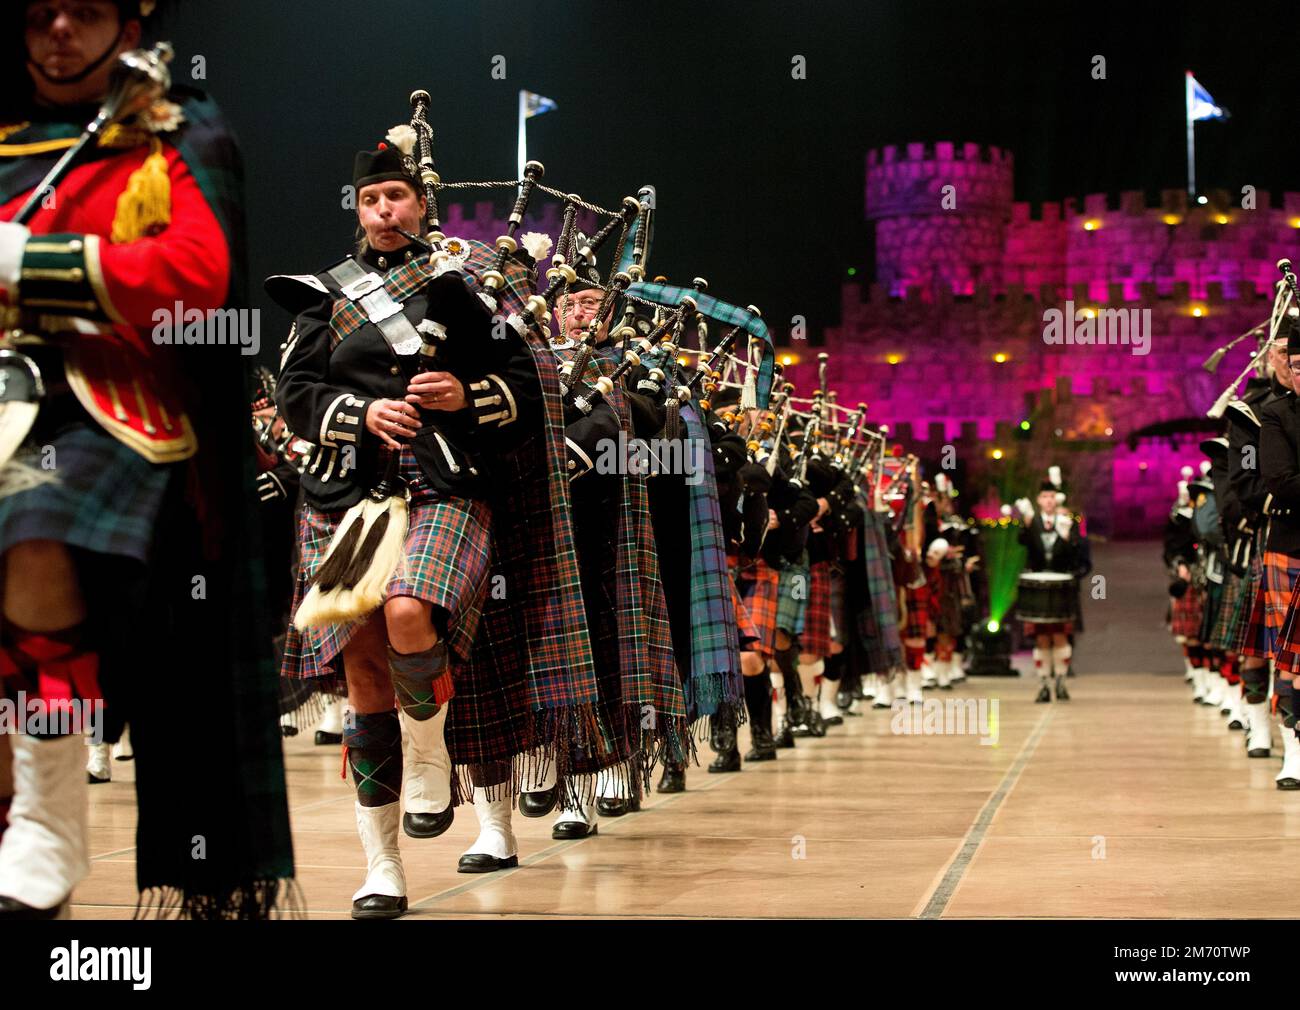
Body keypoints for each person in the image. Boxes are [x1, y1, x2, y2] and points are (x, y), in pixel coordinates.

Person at [0, 0, 293, 918]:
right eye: (40, 11)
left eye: (81, 12)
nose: (57, 31)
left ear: (129, 22)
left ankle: (52, 820)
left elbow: (196, 280)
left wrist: (26, 264)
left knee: (32, 526)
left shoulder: (173, 126)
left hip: (107, 406)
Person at [272, 134, 546, 916]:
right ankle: (382, 865)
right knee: (362, 663)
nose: (383, 210)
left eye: (395, 197)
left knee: (405, 612)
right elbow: (296, 394)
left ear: (421, 202)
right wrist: (359, 412)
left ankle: (430, 757)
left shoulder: (463, 288)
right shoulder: (326, 296)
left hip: (444, 486)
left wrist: (467, 394)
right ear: (357, 210)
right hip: (346, 499)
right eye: (369, 200)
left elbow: (525, 383)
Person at [1014, 475, 1088, 702]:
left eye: (1052, 496)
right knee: (1041, 638)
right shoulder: (1031, 522)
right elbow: (1022, 541)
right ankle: (1044, 684)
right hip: (1037, 588)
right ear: (1038, 500)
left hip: (1061, 588)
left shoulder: (1068, 522)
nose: (1048, 500)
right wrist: (1025, 523)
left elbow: (1080, 556)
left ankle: (1061, 682)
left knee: (1060, 636)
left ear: (1058, 499)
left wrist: (1067, 537)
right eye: (1044, 496)